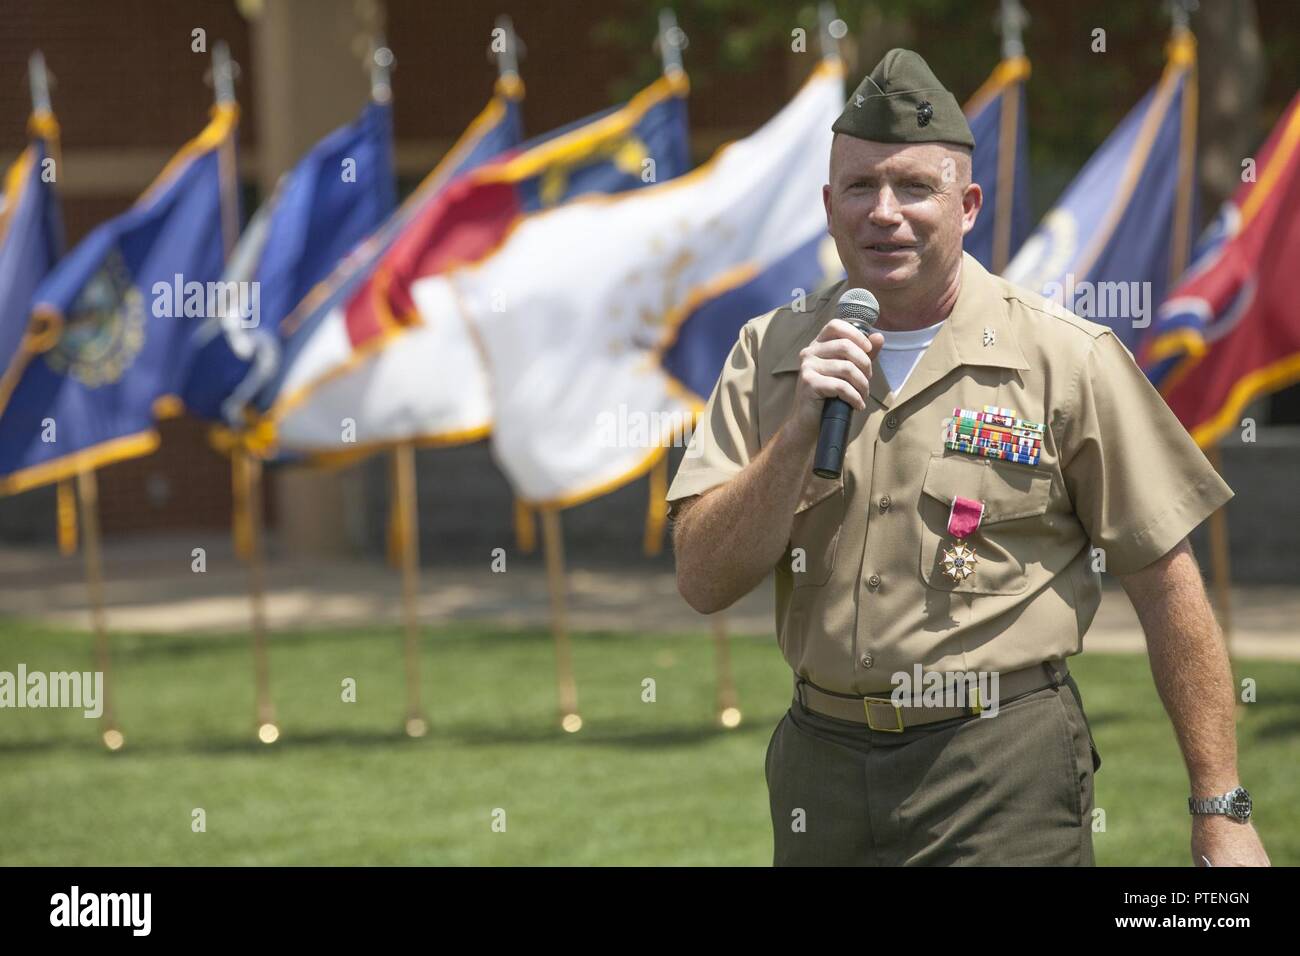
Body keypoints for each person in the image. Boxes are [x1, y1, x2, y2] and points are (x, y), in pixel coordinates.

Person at [665, 48, 1270, 867]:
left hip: (999, 769)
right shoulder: (770, 354)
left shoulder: (1067, 358)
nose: (885, 212)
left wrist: (1221, 808)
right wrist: (799, 434)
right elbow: (703, 578)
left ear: (968, 205)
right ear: (828, 205)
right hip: (820, 770)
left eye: (915, 187)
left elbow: (1166, 585)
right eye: (860, 186)